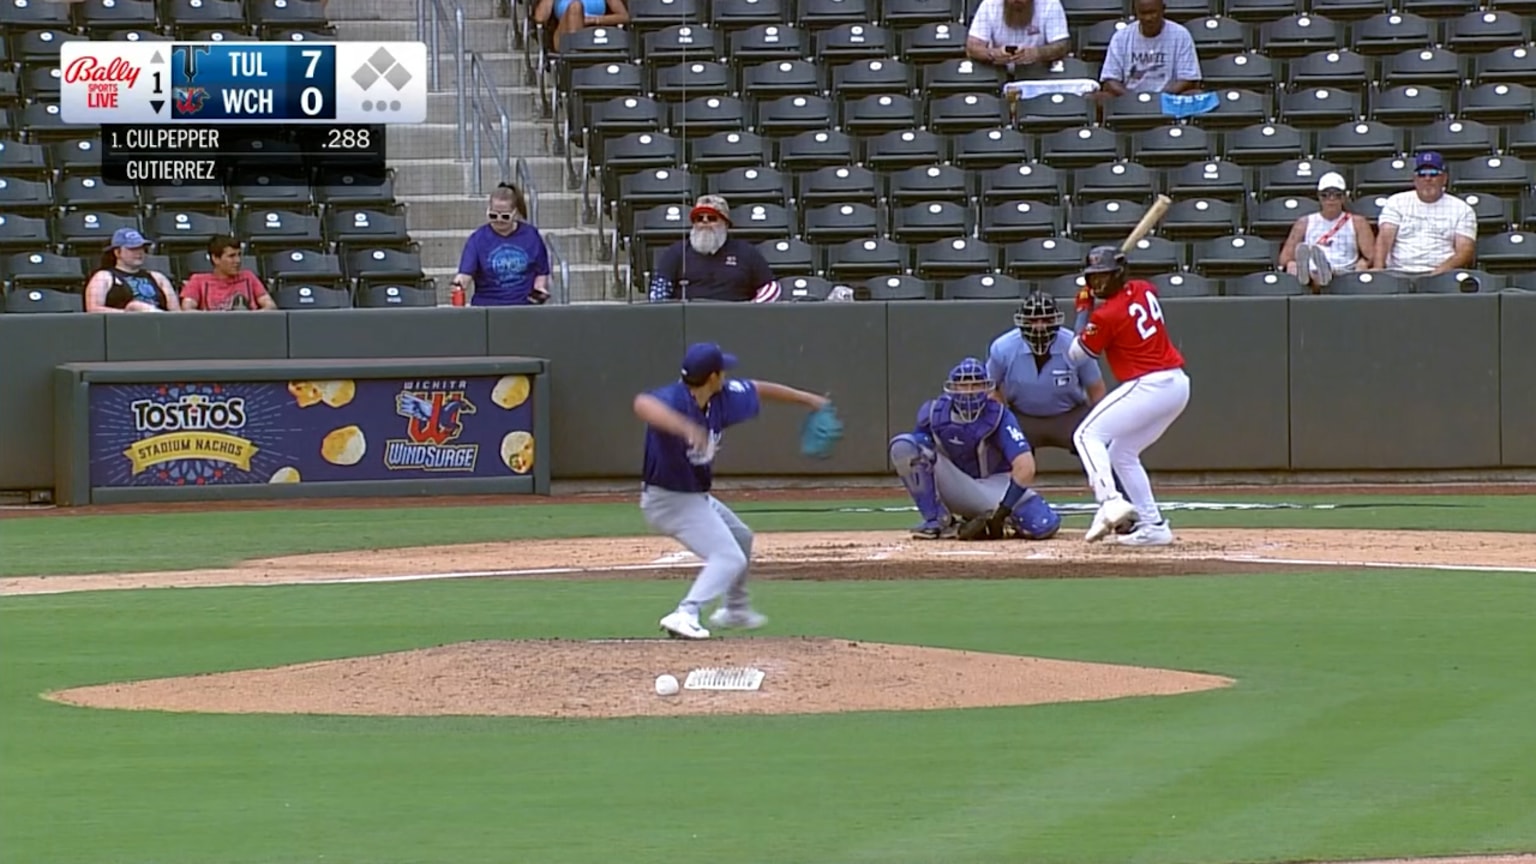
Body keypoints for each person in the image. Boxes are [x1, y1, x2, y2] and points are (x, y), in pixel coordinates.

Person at [634, 342, 831, 640]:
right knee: (729, 558)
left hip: (695, 496)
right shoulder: (674, 399)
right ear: (712, 376)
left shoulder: (720, 397)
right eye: (722, 370)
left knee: (741, 537)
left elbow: (758, 388)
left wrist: (809, 400)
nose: (726, 374)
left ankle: (735, 607)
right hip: (668, 500)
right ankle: (686, 612)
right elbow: (643, 405)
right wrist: (686, 428)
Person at [1066, 246, 1191, 547]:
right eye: (1093, 279)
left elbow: (1076, 355)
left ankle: (1109, 499)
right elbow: (1128, 297)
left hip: (1150, 383)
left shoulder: (1107, 315)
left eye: (1103, 277)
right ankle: (1154, 526)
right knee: (1121, 454)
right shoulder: (1143, 288)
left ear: (1119, 274)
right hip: (1176, 386)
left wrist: (1084, 311)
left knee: (1085, 435)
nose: (1097, 284)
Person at [888, 358, 1062, 541]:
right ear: (953, 387)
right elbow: (916, 452)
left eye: (976, 384)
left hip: (993, 484)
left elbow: (1026, 467)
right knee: (904, 446)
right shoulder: (934, 413)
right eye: (964, 385)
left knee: (1043, 524)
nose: (970, 391)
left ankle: (991, 523)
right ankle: (937, 520)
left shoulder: (999, 416)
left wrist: (1003, 511)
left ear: (986, 387)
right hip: (955, 482)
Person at [987, 291, 1107, 452]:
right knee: (993, 439)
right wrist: (1003, 418)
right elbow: (989, 387)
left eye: (1046, 320)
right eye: (1033, 320)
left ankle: (1105, 478)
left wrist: (1099, 426)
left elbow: (1096, 390)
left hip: (1070, 416)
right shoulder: (1003, 347)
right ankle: (1006, 478)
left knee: (1103, 441)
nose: (1039, 326)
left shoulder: (1076, 345)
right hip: (1022, 417)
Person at [648, 195, 781, 303]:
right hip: (688, 324)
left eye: (712, 218)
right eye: (699, 219)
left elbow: (771, 288)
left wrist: (750, 310)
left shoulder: (746, 252)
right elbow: (659, 292)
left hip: (736, 324)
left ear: (726, 224)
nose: (705, 222)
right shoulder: (676, 252)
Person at [1373, 151, 1477, 278]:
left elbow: (1465, 250)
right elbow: (1384, 238)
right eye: (1422, 174)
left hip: (1441, 273)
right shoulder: (1396, 202)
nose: (1427, 179)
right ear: (1415, 179)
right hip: (1398, 272)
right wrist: (1378, 269)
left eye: (1434, 174)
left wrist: (1437, 274)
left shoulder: (1462, 209)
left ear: (1444, 178)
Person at [451, 182, 552, 306]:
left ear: (515, 213)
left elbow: (541, 272)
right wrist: (460, 283)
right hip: (488, 306)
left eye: (505, 216)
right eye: (493, 215)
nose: (499, 220)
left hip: (524, 307)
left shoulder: (531, 236)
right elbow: (465, 274)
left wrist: (539, 289)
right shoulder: (478, 239)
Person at [1279, 172, 1377, 293]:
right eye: (1326, 195)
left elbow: (1371, 256)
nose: (1331, 199)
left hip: (1344, 270)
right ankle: (1311, 276)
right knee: (1294, 267)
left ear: (1344, 197)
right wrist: (1291, 264)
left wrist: (1362, 265)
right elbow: (1285, 258)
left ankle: (1321, 276)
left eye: (1337, 195)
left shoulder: (1357, 222)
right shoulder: (1304, 222)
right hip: (1311, 269)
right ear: (1319, 197)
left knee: (1331, 276)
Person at [1099, 0, 1202, 97]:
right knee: (1097, 97)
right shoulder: (1121, 37)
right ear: (1136, 13)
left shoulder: (1180, 34)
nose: (1148, 18)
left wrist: (1160, 99)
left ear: (1163, 10)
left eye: (1152, 12)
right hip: (1128, 98)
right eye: (1143, 13)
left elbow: (1188, 78)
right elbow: (1110, 79)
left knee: (1196, 94)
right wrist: (1131, 99)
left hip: (1169, 98)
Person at [84, 228, 180, 313]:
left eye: (141, 248)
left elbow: (176, 311)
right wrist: (128, 313)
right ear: (117, 252)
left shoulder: (158, 277)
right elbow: (93, 309)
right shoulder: (103, 277)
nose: (139, 253)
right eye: (133, 249)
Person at [964, 0, 1072, 70]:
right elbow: (973, 46)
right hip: (998, 70)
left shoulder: (1050, 4)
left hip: (1038, 72)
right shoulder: (989, 5)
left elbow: (1061, 45)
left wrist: (1037, 53)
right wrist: (995, 53)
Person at [180, 235, 277, 311]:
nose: (238, 260)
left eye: (239, 255)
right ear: (216, 259)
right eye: (231, 256)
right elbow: (187, 309)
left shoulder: (249, 277)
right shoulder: (198, 280)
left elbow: (270, 305)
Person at [534, 0, 628, 54]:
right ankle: (575, 58)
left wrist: (594, 20)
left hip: (596, 33)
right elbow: (540, 19)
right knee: (575, 7)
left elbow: (624, 16)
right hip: (564, 34)